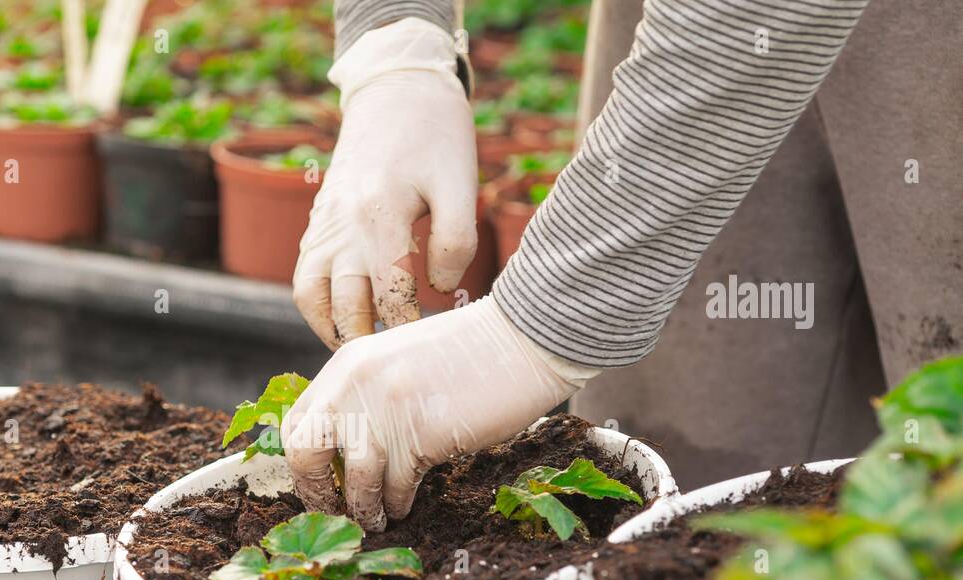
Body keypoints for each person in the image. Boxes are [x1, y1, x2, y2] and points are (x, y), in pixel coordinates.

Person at [281, 0, 962, 532]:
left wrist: (536, 326)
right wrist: (396, 48)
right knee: (684, 497)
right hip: (683, 28)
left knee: (945, 443)